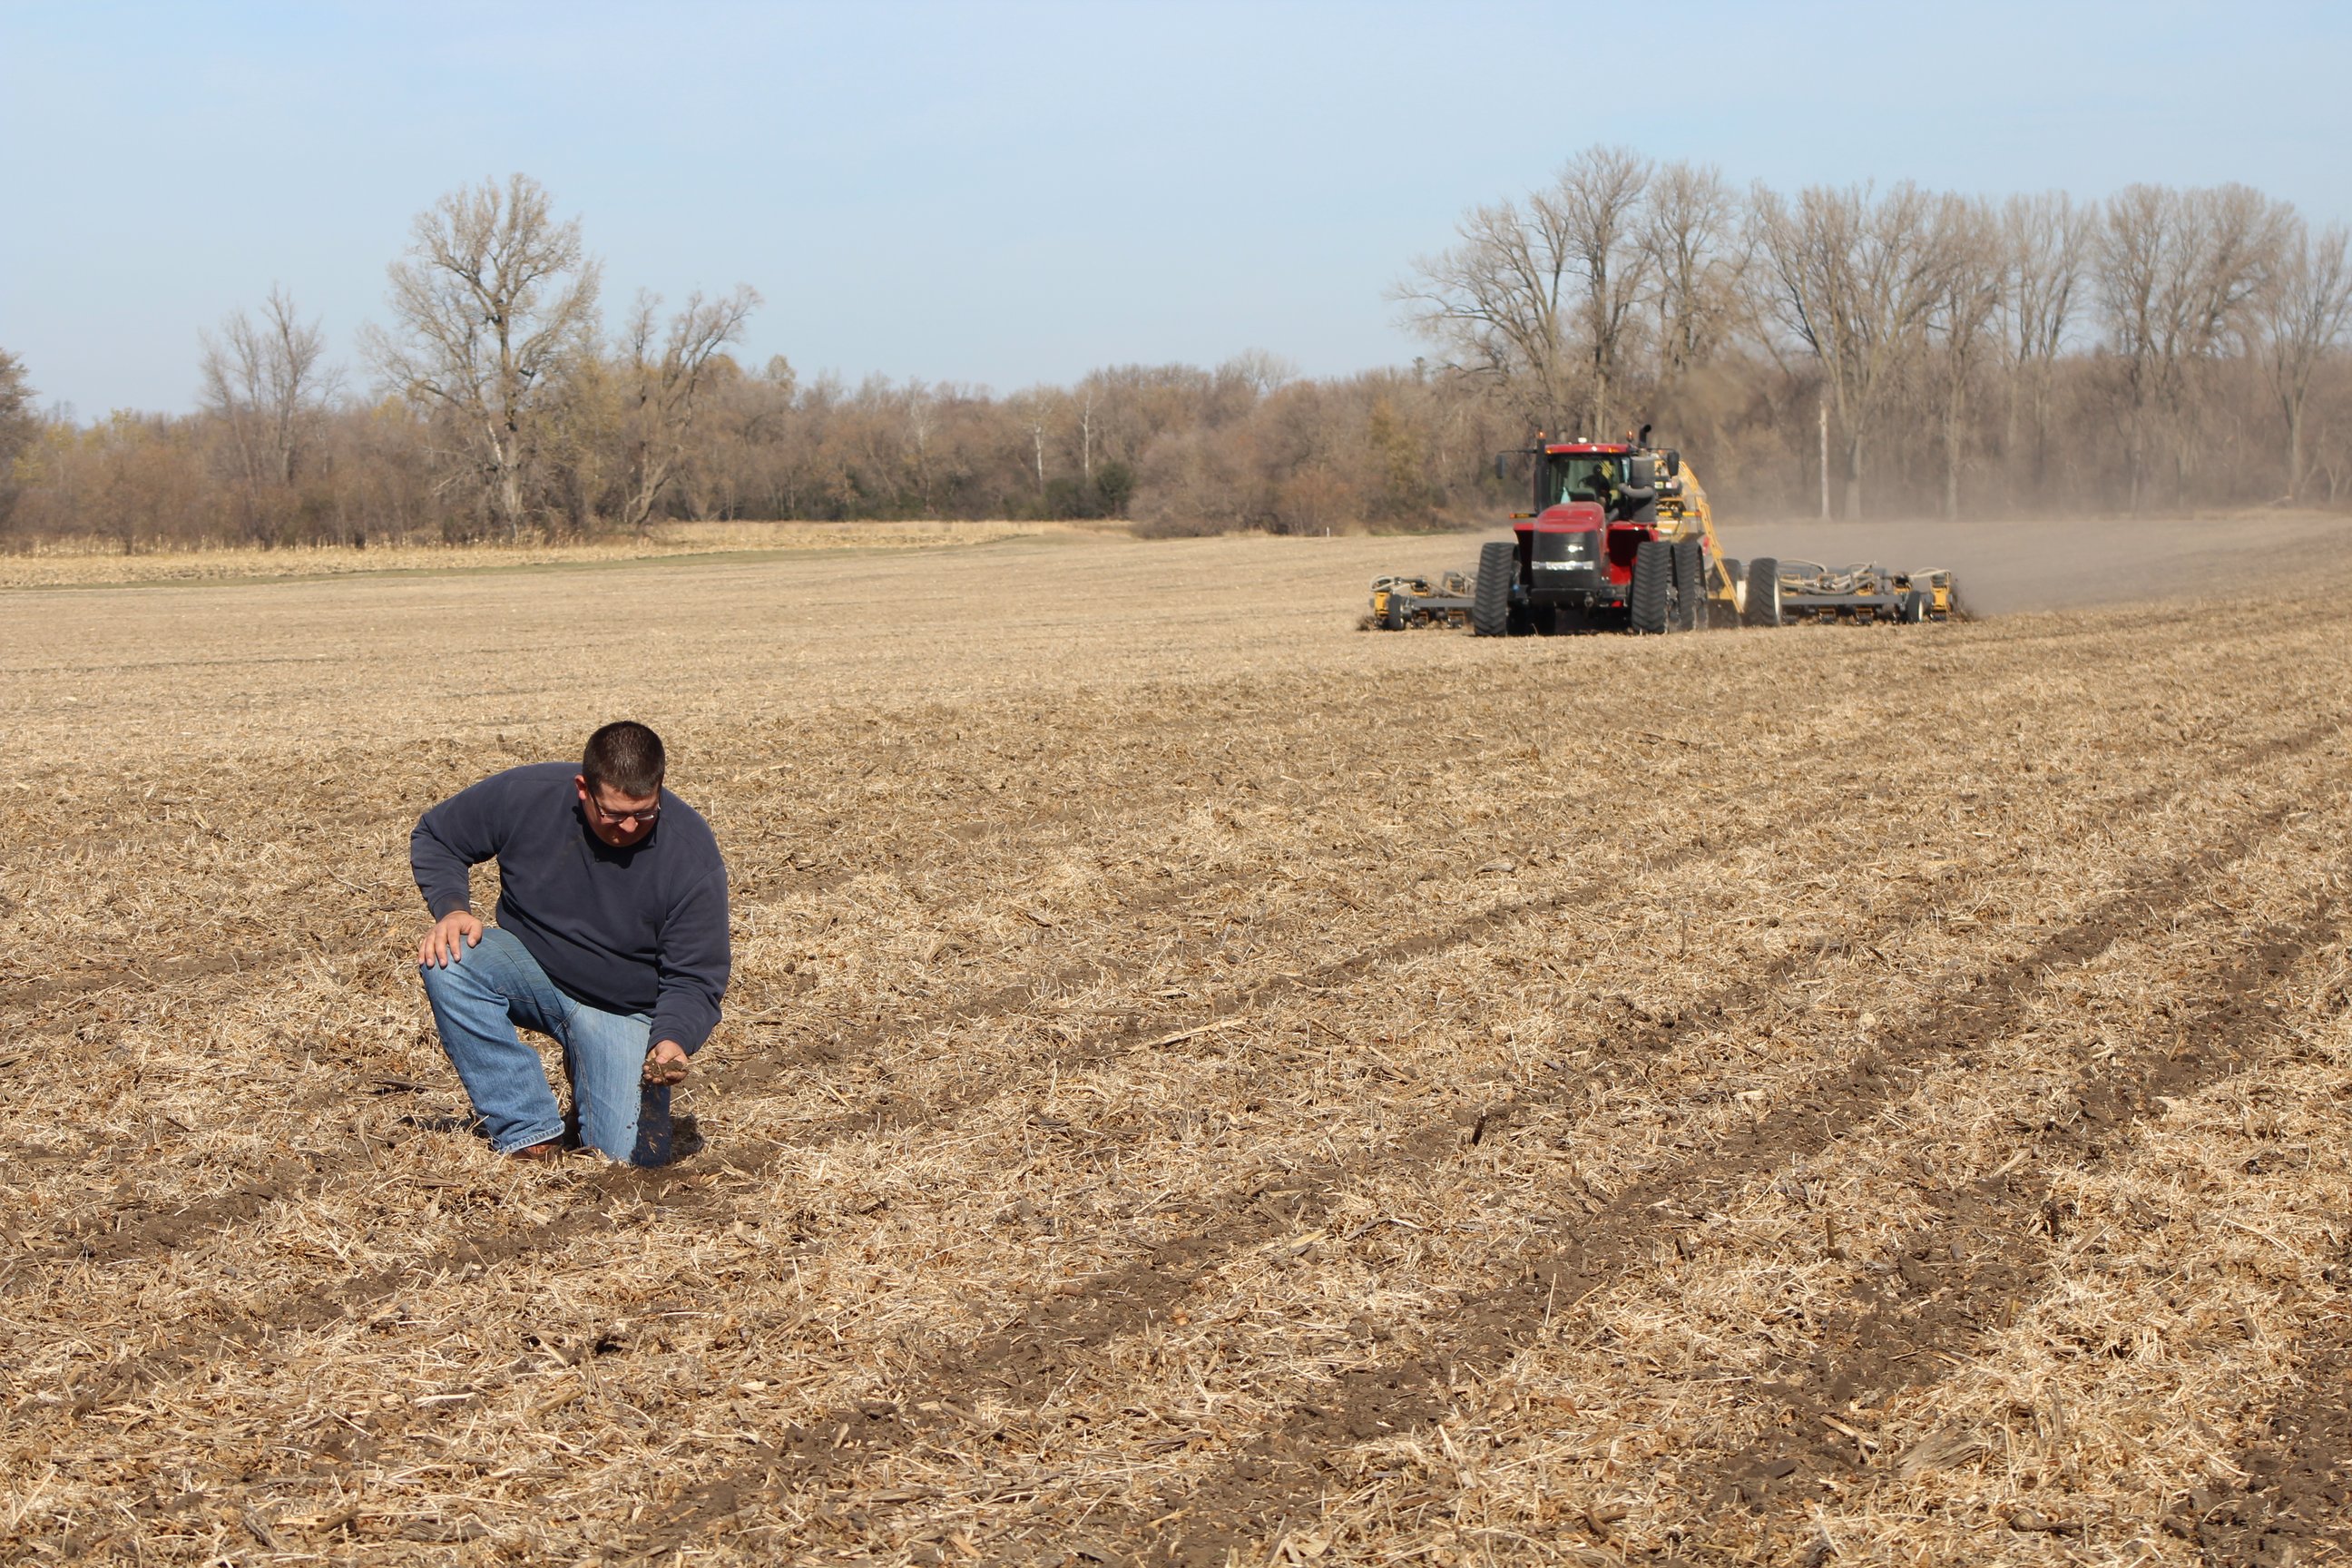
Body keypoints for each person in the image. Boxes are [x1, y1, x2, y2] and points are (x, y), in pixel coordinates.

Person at [410, 721, 730, 1164]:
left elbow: (695, 975)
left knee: (628, 1161)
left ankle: (593, 1075)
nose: (629, 826)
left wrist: (674, 1038)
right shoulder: (526, 795)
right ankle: (528, 1131)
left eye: (645, 813)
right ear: (584, 789)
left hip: (623, 1008)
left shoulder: (690, 852)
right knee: (451, 958)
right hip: (532, 967)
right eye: (613, 814)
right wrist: (451, 908)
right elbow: (438, 835)